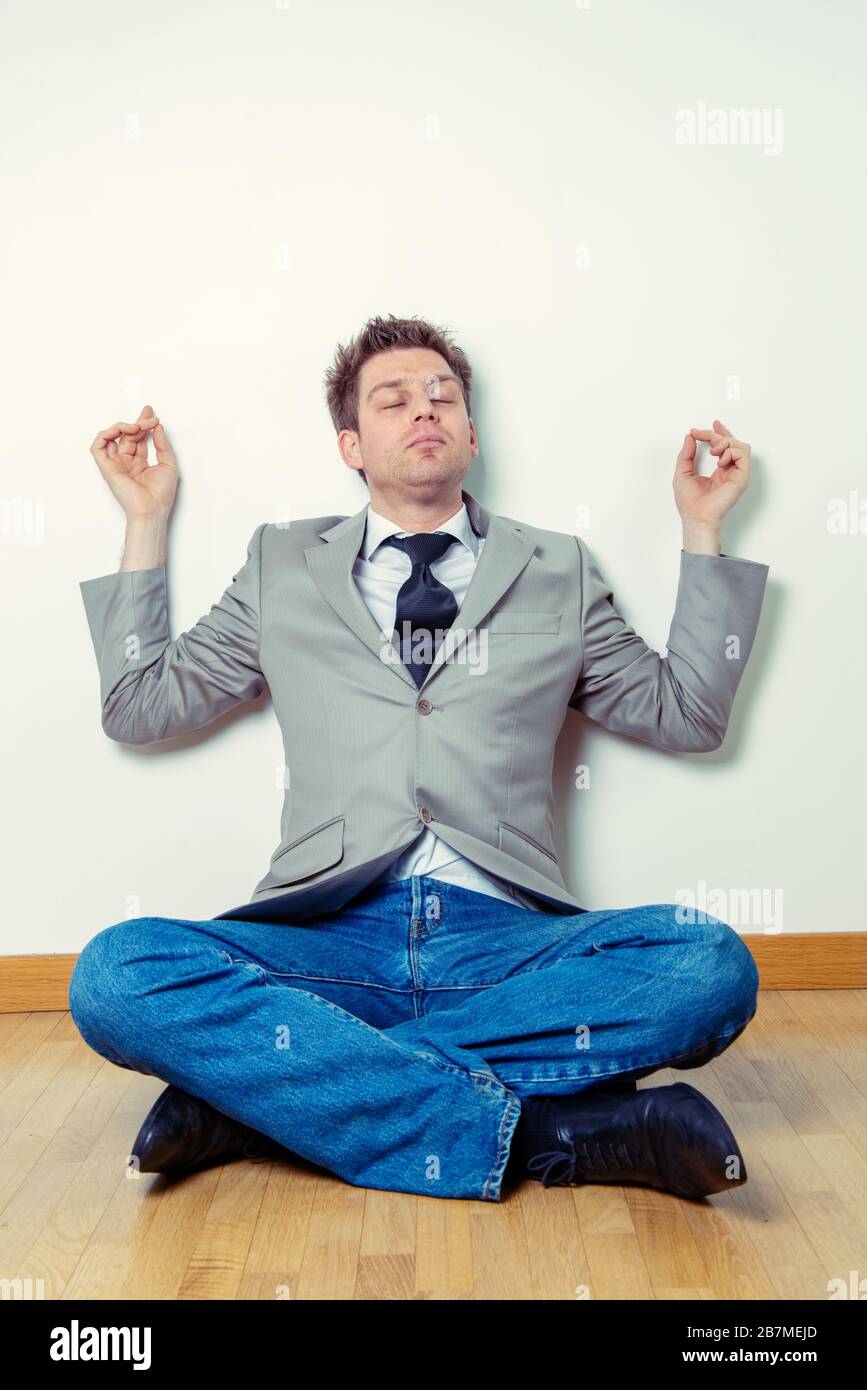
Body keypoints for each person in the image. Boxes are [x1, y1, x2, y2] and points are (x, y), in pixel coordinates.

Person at [70, 313, 769, 1203]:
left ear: (472, 433)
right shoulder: (280, 563)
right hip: (327, 942)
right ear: (352, 445)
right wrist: (145, 520)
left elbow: (688, 715)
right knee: (116, 974)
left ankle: (262, 1105)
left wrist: (700, 530)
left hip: (507, 950)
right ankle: (556, 1134)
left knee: (704, 962)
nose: (424, 410)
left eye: (444, 396)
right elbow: (140, 707)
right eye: (393, 400)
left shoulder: (559, 566)